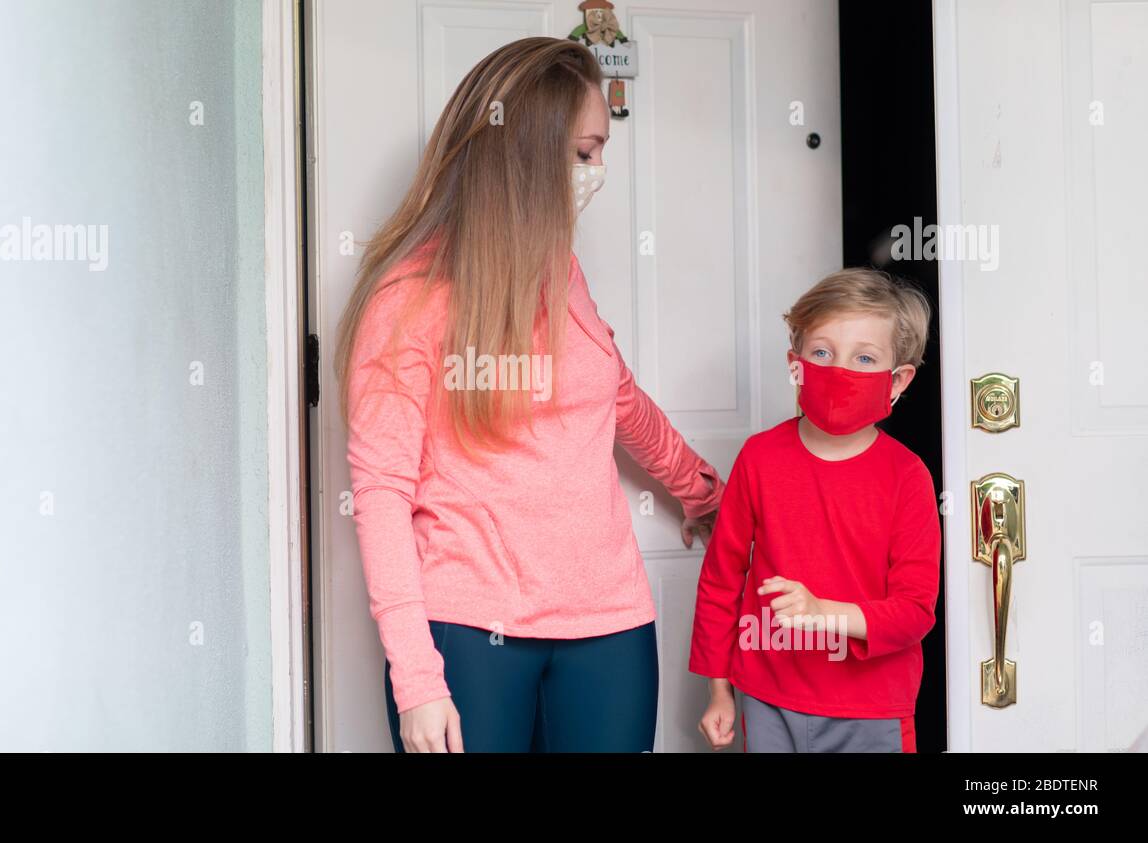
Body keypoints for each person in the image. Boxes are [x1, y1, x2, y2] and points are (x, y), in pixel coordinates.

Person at [337, 36, 724, 752]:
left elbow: (617, 397)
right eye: (584, 153)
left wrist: (704, 490)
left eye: (602, 150)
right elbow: (383, 489)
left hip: (609, 627)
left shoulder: (563, 272)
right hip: (470, 631)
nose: (599, 171)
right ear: (520, 152)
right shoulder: (410, 299)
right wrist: (417, 678)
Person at [689, 268, 941, 752]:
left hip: (870, 708)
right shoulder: (759, 458)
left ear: (898, 380)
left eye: (864, 358)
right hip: (767, 700)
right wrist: (718, 689)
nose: (840, 369)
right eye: (822, 352)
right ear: (796, 364)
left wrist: (825, 612)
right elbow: (721, 580)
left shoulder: (907, 477)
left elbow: (914, 612)